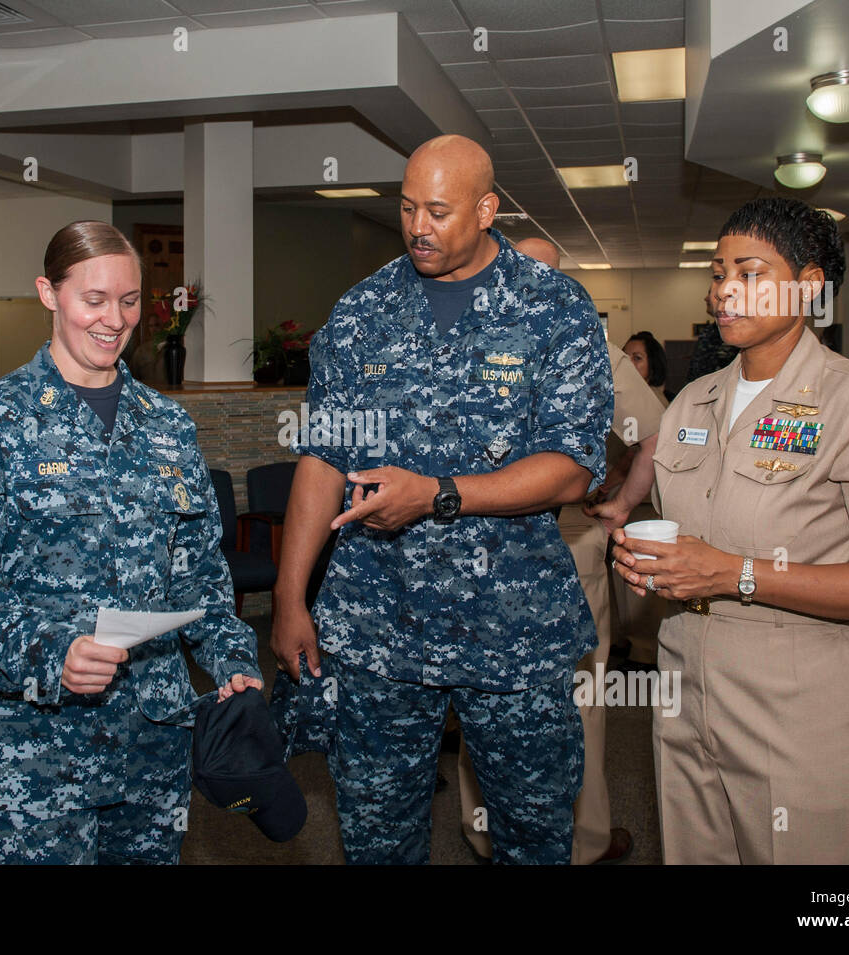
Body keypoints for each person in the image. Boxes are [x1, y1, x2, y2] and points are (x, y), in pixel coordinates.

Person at [271, 135, 612, 865]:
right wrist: (290, 595)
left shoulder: (554, 307)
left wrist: (438, 496)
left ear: (487, 210)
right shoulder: (363, 310)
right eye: (405, 208)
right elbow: (323, 457)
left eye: (437, 210)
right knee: (377, 834)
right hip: (377, 625)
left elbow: (572, 469)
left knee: (532, 834)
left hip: (513, 627)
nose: (417, 226)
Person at [0, 220, 262, 864]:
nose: (113, 320)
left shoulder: (168, 428)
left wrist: (233, 660)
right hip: (30, 755)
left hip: (150, 746)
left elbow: (200, 575)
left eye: (128, 302)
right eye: (92, 300)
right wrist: (51, 653)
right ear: (48, 293)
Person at [611, 198, 849, 864]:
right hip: (686, 676)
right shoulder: (690, 403)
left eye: (750, 271)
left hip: (803, 698)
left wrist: (735, 571)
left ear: (809, 285)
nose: (723, 289)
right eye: (717, 271)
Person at [451, 235, 659, 865]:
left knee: (538, 694)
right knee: (537, 696)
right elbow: (654, 436)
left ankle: (512, 834)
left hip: (533, 538)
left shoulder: (472, 338)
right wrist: (621, 494)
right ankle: (561, 838)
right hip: (503, 542)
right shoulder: (580, 346)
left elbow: (657, 435)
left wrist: (618, 500)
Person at [623, 331, 673, 405]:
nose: (628, 362)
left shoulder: (656, 402)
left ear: (653, 364)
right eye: (624, 356)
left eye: (637, 358)